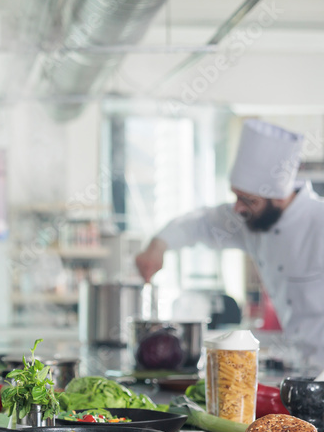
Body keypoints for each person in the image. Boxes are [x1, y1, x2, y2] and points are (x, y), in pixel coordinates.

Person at [135, 119, 324, 370]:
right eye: (236, 196)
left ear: (278, 198)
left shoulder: (318, 222)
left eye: (248, 200)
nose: (237, 208)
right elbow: (199, 224)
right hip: (302, 368)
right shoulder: (253, 218)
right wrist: (158, 246)